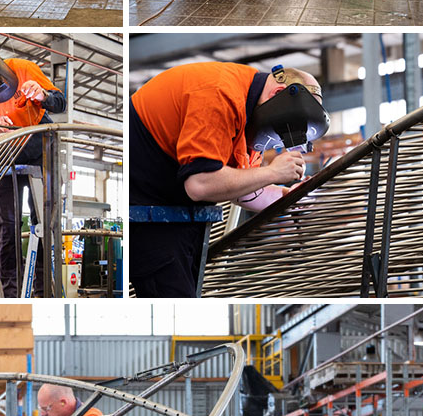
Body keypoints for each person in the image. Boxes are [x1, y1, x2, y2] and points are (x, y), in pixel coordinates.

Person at [129, 61, 329, 297]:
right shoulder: (219, 93)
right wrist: (273, 172)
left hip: (177, 216)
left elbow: (244, 189)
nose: (276, 140)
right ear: (278, 94)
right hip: (150, 215)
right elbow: (200, 184)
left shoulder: (252, 116)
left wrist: (288, 197)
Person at [0, 48, 66, 297]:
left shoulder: (24, 68)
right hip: (4, 150)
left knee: (42, 220)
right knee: (8, 225)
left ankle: (42, 290)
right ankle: (11, 292)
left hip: (39, 141)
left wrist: (43, 96)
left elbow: (60, 103)